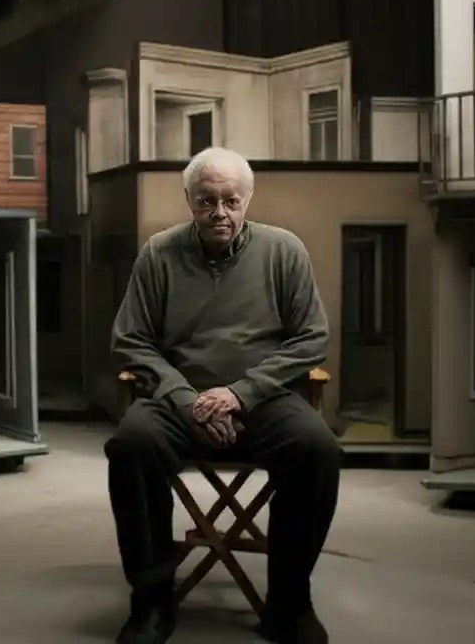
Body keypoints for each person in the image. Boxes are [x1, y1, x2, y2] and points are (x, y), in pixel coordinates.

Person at [105, 147, 342, 644]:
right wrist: (184, 398)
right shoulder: (158, 254)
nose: (220, 213)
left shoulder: (284, 250)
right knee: (131, 445)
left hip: (263, 400)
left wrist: (240, 394)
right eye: (207, 200)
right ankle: (150, 600)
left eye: (231, 201)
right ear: (188, 200)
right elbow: (130, 339)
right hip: (179, 400)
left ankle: (290, 603)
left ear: (248, 199)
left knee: (317, 449)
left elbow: (312, 338)